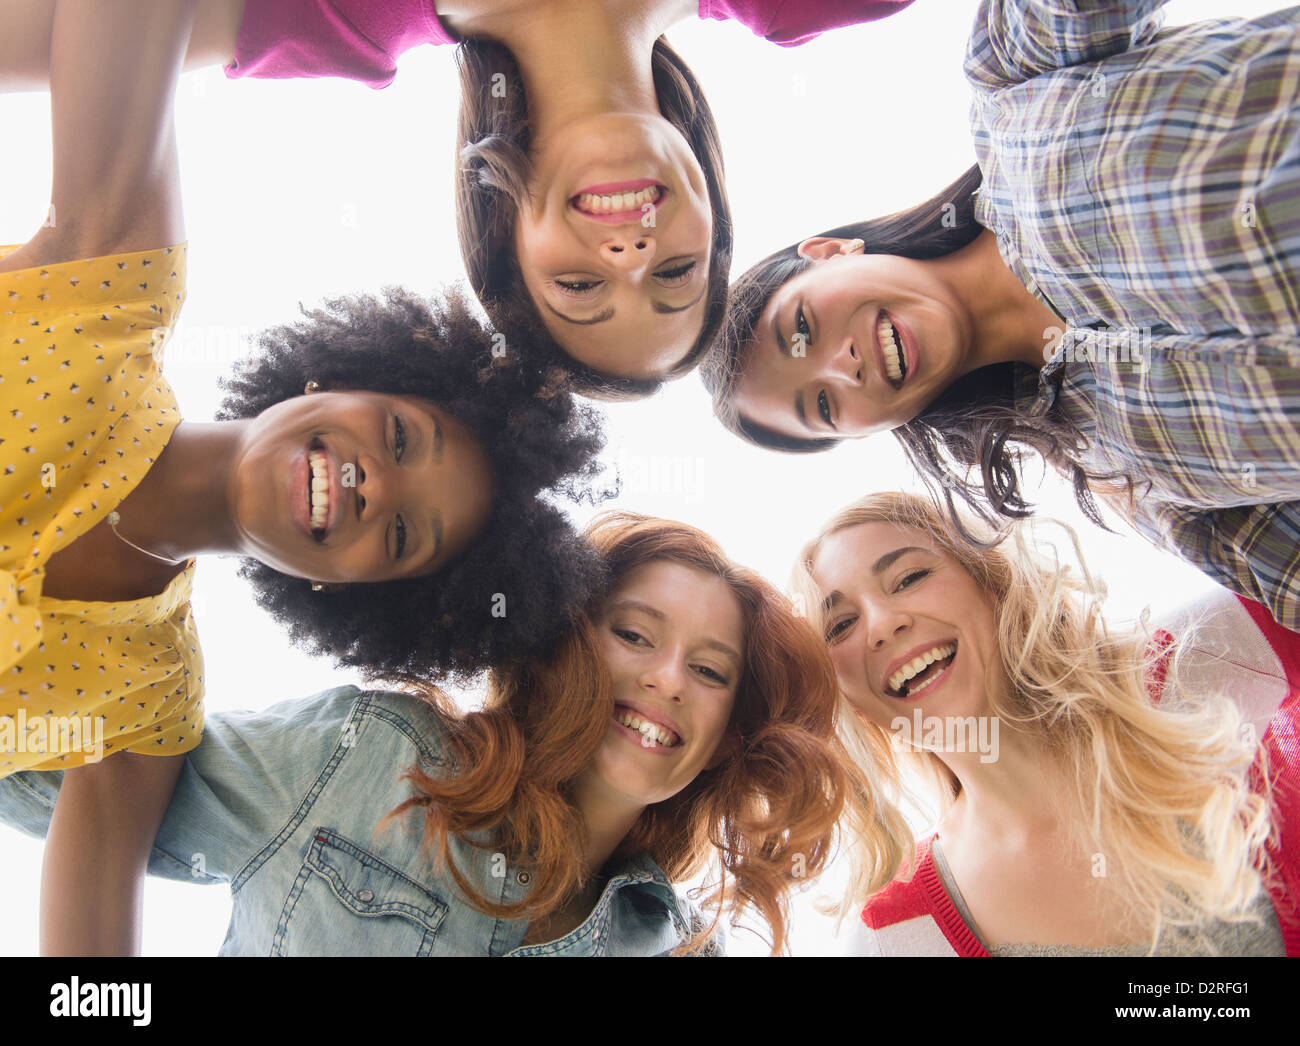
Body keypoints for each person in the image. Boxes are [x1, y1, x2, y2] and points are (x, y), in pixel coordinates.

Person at [0, 0, 605, 955]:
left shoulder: (142, 702)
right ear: (348, 375)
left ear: (349, 594)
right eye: (402, 436)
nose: (375, 486)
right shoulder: (113, 293)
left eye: (402, 536)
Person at [0, 513, 854, 955]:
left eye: (710, 671)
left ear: (728, 734)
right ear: (561, 643)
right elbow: (44, 775)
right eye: (634, 634)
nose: (669, 680)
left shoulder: (681, 948)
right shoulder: (368, 755)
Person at [704, 0, 1300, 629]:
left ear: (828, 252)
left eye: (799, 329)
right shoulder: (1131, 480)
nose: (840, 366)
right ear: (865, 433)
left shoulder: (1013, 85)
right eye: (822, 407)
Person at [1, 0, 917, 396]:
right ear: (712, 202)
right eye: (675, 271)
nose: (631, 258)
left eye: (581, 290)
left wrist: (80, 240)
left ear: (505, 237)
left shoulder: (339, 23)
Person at [792, 491, 1299, 956]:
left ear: (992, 583)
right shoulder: (895, 937)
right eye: (841, 625)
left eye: (909, 578)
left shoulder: (1213, 658)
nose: (882, 625)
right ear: (847, 697)